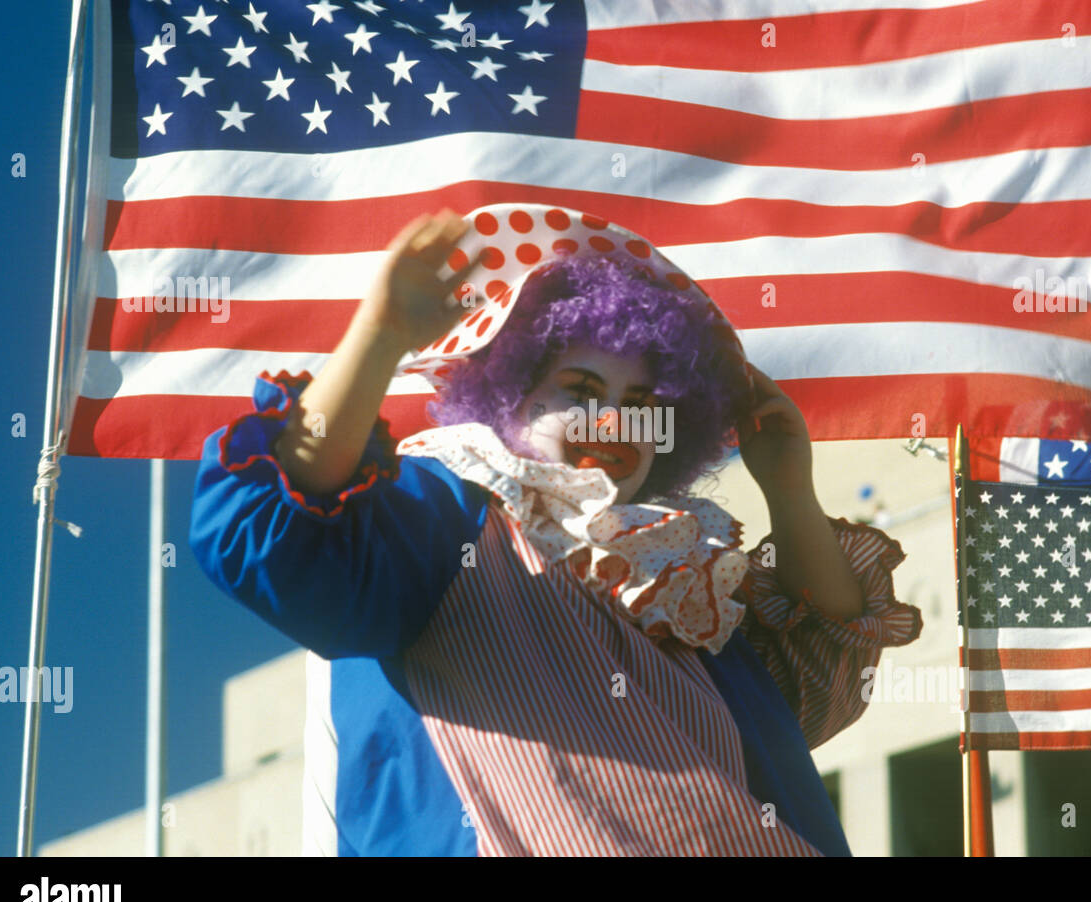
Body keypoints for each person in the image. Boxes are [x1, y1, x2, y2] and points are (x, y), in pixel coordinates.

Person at [189, 204, 923, 856]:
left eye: (642, 401)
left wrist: (788, 488)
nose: (613, 421)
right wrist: (378, 338)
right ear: (509, 397)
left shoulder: (685, 578)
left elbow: (825, 679)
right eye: (580, 391)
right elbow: (267, 536)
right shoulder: (450, 512)